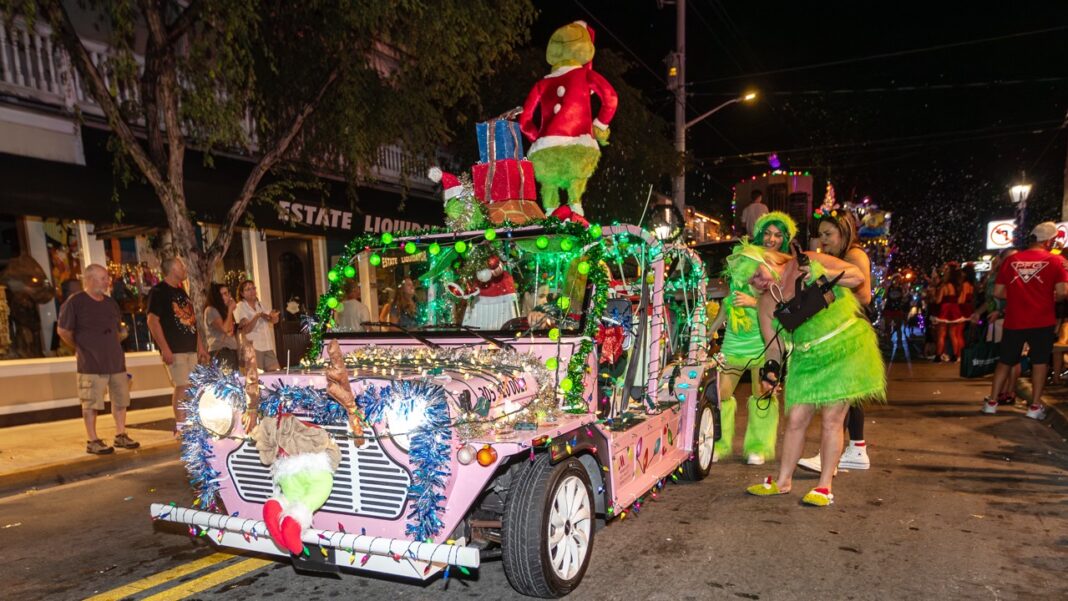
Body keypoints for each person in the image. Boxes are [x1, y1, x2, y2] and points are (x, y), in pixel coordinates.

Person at [746, 247, 885, 506]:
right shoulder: (766, 301)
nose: (756, 281)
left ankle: (824, 486)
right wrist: (770, 373)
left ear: (765, 259)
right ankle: (783, 481)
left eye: (756, 272)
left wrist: (822, 273)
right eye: (750, 280)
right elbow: (773, 347)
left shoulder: (806, 261)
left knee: (833, 418)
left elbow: (857, 278)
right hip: (807, 358)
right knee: (796, 417)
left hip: (844, 348)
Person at [798, 213, 873, 473]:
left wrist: (827, 276)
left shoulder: (855, 256)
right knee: (847, 392)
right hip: (845, 329)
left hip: (851, 328)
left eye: (829, 235)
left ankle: (833, 453)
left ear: (844, 233)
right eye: (821, 235)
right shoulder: (845, 256)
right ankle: (856, 449)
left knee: (838, 392)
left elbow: (864, 295)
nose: (824, 240)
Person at [706, 241, 786, 465]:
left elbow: (780, 311)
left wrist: (755, 302)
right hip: (731, 350)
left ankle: (758, 446)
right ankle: (718, 443)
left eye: (744, 261)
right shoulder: (733, 291)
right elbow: (722, 316)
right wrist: (707, 333)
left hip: (761, 350)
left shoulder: (767, 289)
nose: (739, 266)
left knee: (762, 397)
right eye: (737, 262)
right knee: (720, 396)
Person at [982, 222, 1068, 418]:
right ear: (1049, 241)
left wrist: (1019, 295)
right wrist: (1047, 295)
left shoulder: (1011, 261)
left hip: (1015, 319)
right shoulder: (1056, 261)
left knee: (1005, 361)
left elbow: (998, 292)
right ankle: (1035, 407)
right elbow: (1063, 292)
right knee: (1039, 363)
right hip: (1042, 319)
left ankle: (992, 402)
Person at [57, 264, 140, 454]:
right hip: (90, 364)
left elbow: (119, 330)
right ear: (90, 279)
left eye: (107, 278)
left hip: (115, 361)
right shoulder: (75, 302)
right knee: (91, 403)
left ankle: (121, 435)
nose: (107, 282)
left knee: (120, 400)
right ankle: (92, 440)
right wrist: (80, 347)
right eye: (103, 278)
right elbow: (63, 330)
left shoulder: (110, 303)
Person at [147, 257, 208, 429]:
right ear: (172, 269)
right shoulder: (158, 292)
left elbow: (191, 321)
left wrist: (200, 347)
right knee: (182, 385)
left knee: (194, 385)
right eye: (181, 265)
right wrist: (165, 348)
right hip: (175, 349)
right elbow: (152, 321)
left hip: (190, 348)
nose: (185, 267)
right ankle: (181, 425)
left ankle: (192, 421)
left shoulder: (181, 292)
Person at [234, 280, 281, 371]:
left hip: (268, 346)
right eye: (248, 289)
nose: (252, 291)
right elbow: (246, 329)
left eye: (253, 288)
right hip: (254, 348)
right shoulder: (240, 306)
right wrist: (257, 316)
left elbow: (273, 320)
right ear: (242, 294)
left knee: (275, 374)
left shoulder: (260, 304)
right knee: (257, 378)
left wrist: (274, 317)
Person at [205, 282, 239, 369]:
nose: (224, 297)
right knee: (226, 381)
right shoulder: (211, 310)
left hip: (230, 351)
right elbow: (225, 329)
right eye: (221, 294)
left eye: (226, 293)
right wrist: (230, 310)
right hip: (221, 352)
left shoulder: (224, 310)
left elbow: (231, 330)